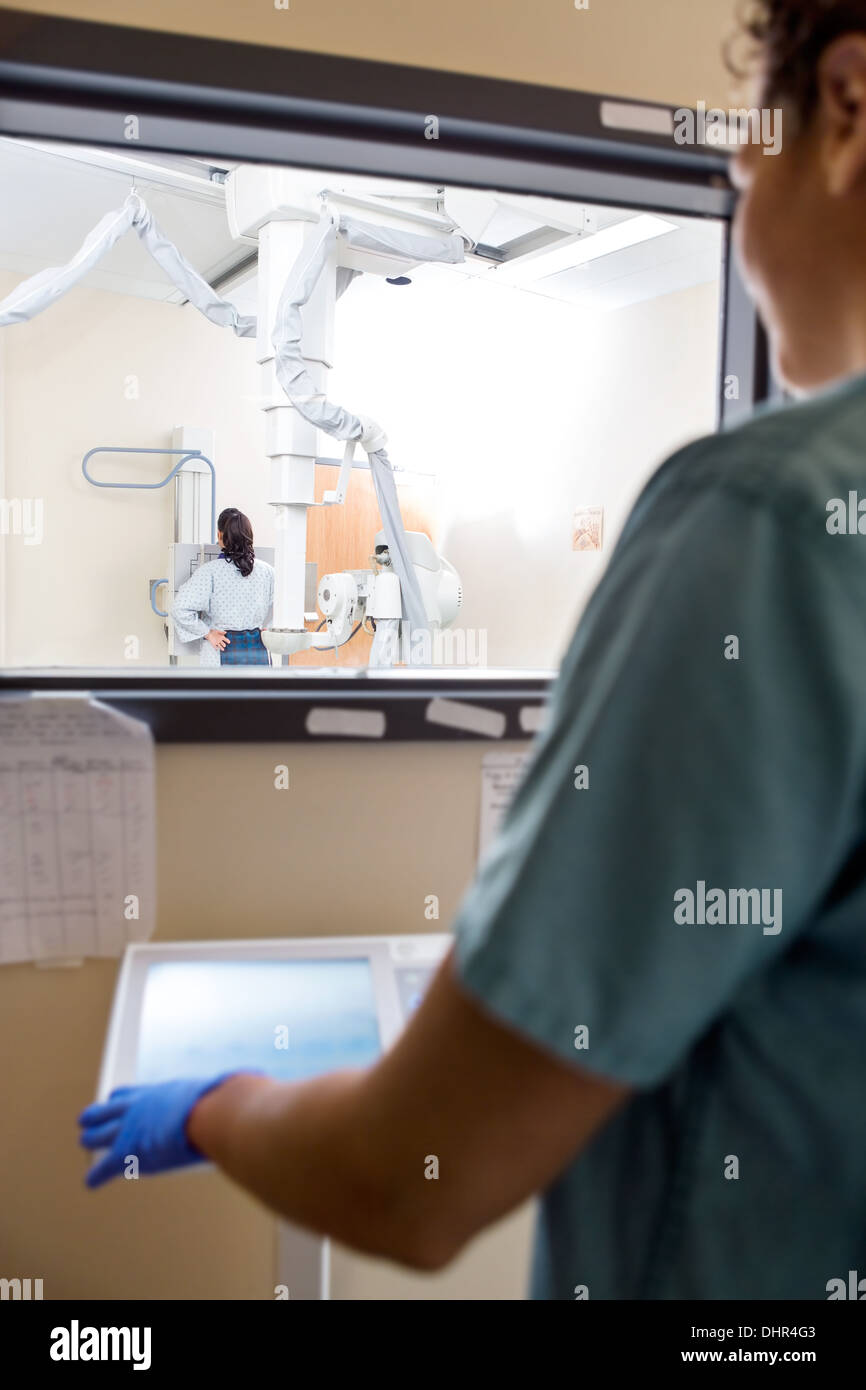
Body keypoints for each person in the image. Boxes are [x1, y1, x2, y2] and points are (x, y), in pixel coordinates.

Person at [80, 2, 866, 1299]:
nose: (739, 219)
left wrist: (217, 1103)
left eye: (739, 169)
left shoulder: (769, 522)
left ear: (843, 104)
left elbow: (412, 1169)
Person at [170, 508, 274, 667]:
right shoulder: (267, 571)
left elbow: (179, 608)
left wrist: (207, 633)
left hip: (221, 648)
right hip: (257, 649)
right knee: (257, 691)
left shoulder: (210, 571)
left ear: (220, 535)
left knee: (222, 692)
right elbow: (287, 606)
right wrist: (271, 630)